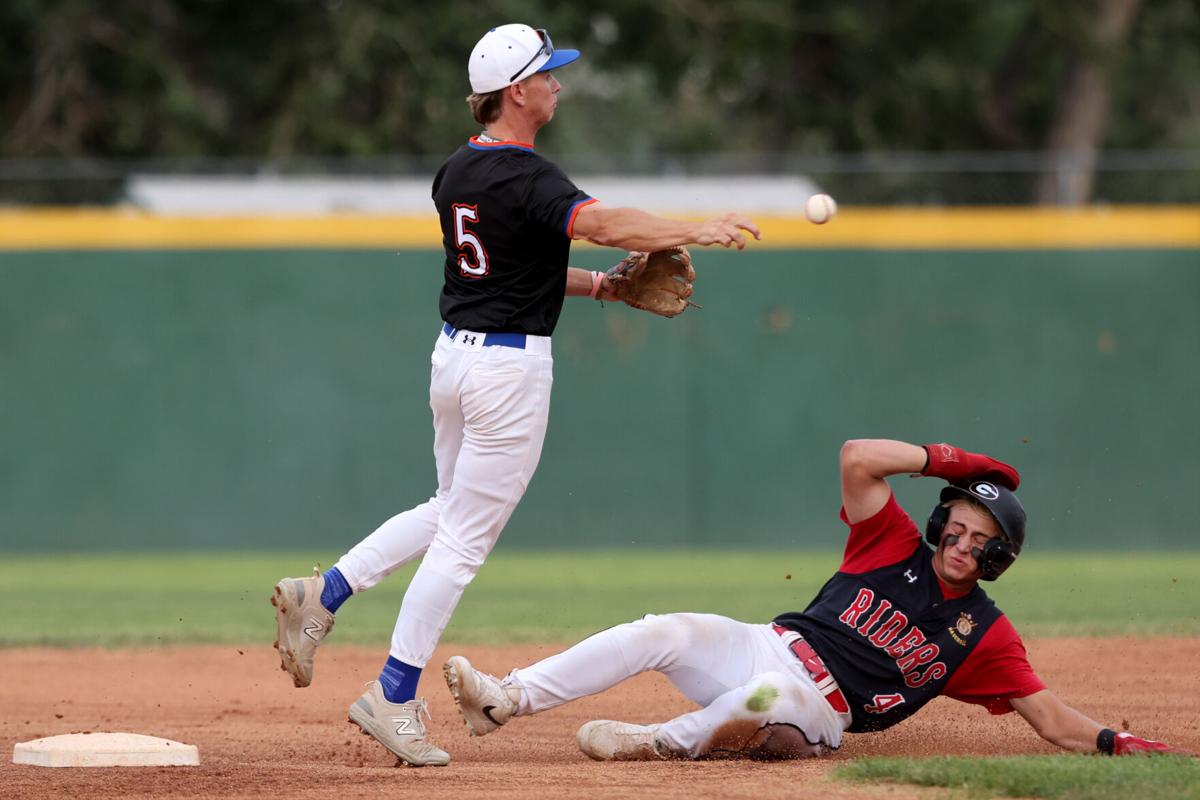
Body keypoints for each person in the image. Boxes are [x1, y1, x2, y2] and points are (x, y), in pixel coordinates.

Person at [269, 23, 761, 767]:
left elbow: (515, 268)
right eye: (547, 74)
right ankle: (392, 696)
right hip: (507, 373)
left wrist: (603, 288)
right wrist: (697, 226)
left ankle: (325, 594)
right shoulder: (530, 176)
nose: (557, 84)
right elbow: (599, 223)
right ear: (516, 91)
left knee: (448, 509)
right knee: (463, 541)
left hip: (454, 360)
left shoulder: (456, 172)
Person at [443, 439, 1189, 761]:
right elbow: (857, 458)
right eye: (957, 527)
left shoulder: (982, 634)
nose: (962, 544)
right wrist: (953, 462)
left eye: (980, 541)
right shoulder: (892, 541)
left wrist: (1111, 742)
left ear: (998, 560)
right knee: (665, 629)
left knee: (767, 698)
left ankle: (655, 741)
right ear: (939, 525)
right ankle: (507, 698)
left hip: (821, 710)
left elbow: (1048, 717)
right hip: (766, 641)